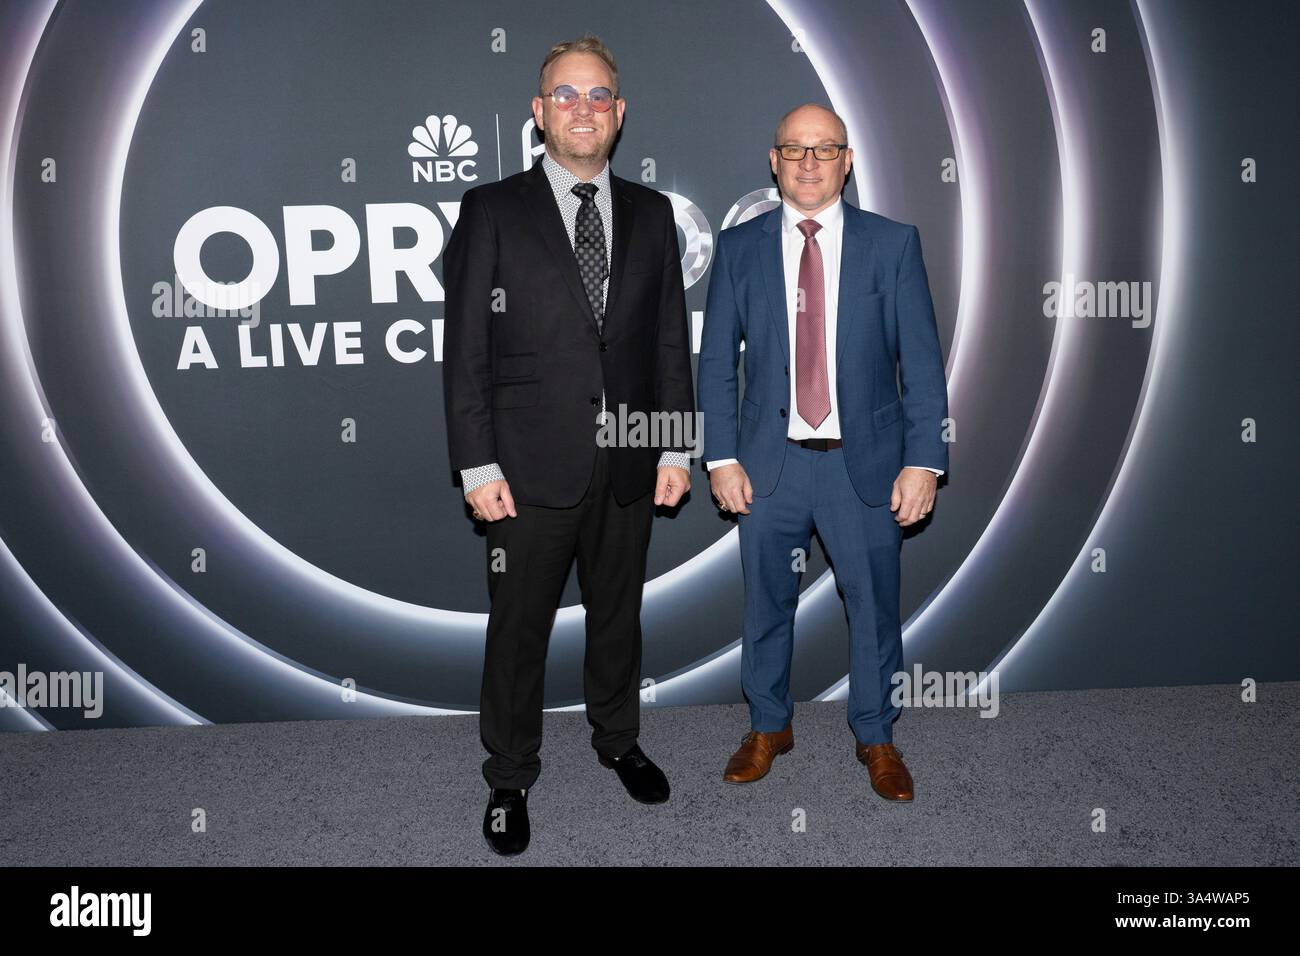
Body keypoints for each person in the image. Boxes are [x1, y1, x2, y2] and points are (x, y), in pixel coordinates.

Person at [442, 35, 694, 855]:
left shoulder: (654, 214)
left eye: (597, 97)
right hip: (524, 469)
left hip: (628, 460)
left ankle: (618, 739)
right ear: (538, 111)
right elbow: (467, 351)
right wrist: (476, 463)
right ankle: (509, 775)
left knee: (618, 618)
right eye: (565, 94)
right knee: (519, 630)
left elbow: (666, 342)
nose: (582, 109)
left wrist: (672, 448)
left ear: (618, 114)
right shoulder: (491, 209)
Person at [696, 103, 949, 801]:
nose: (809, 162)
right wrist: (720, 457)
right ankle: (768, 725)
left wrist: (924, 461)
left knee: (873, 607)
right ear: (773, 161)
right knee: (765, 606)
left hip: (861, 465)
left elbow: (921, 365)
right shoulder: (740, 248)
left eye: (825, 149)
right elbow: (717, 362)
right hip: (767, 465)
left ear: (848, 160)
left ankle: (876, 734)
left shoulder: (892, 244)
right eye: (795, 149)